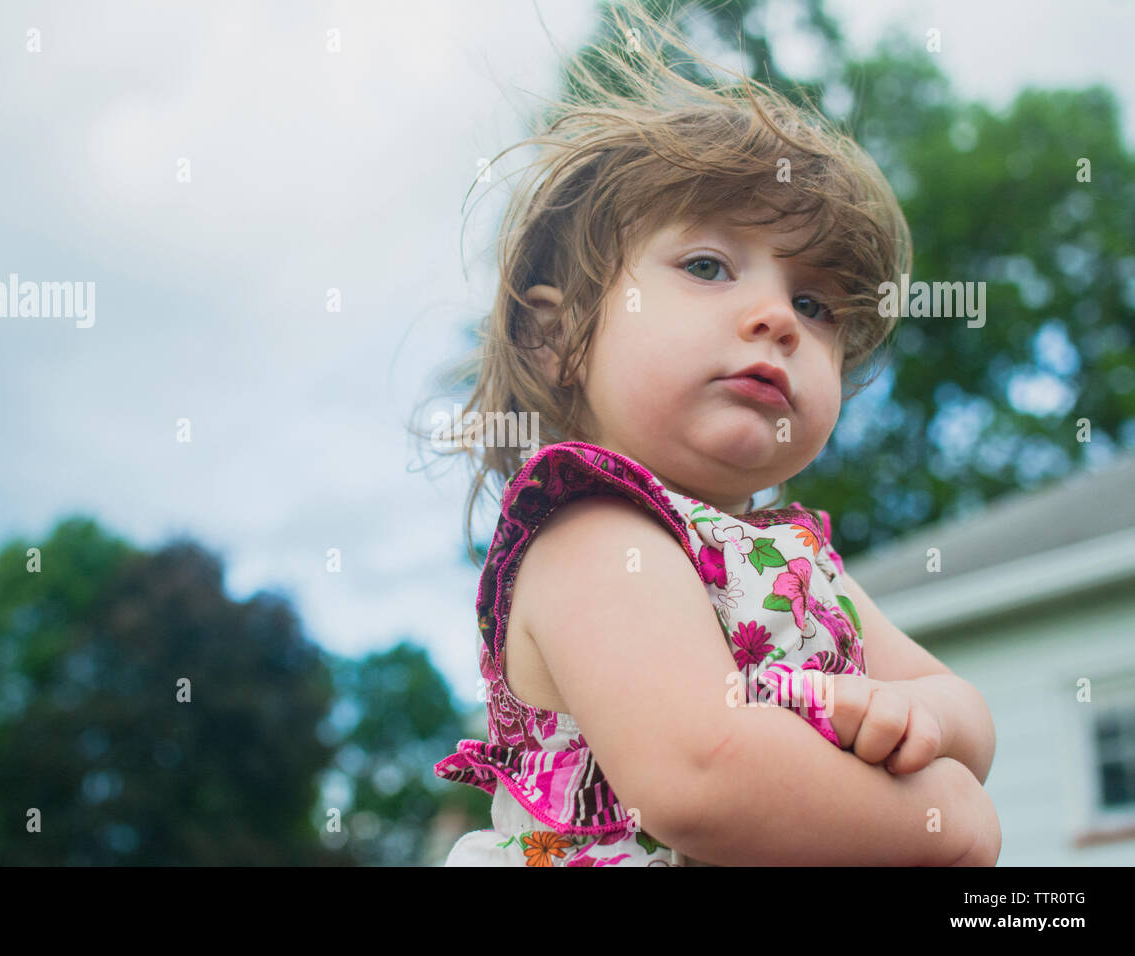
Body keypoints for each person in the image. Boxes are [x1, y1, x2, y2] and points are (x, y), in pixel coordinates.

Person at [418, 1, 999, 867]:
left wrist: (924, 722)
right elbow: (698, 775)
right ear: (558, 336)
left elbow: (964, 713)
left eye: (814, 304)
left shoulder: (798, 563)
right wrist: (947, 818)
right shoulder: (593, 529)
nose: (776, 318)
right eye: (706, 267)